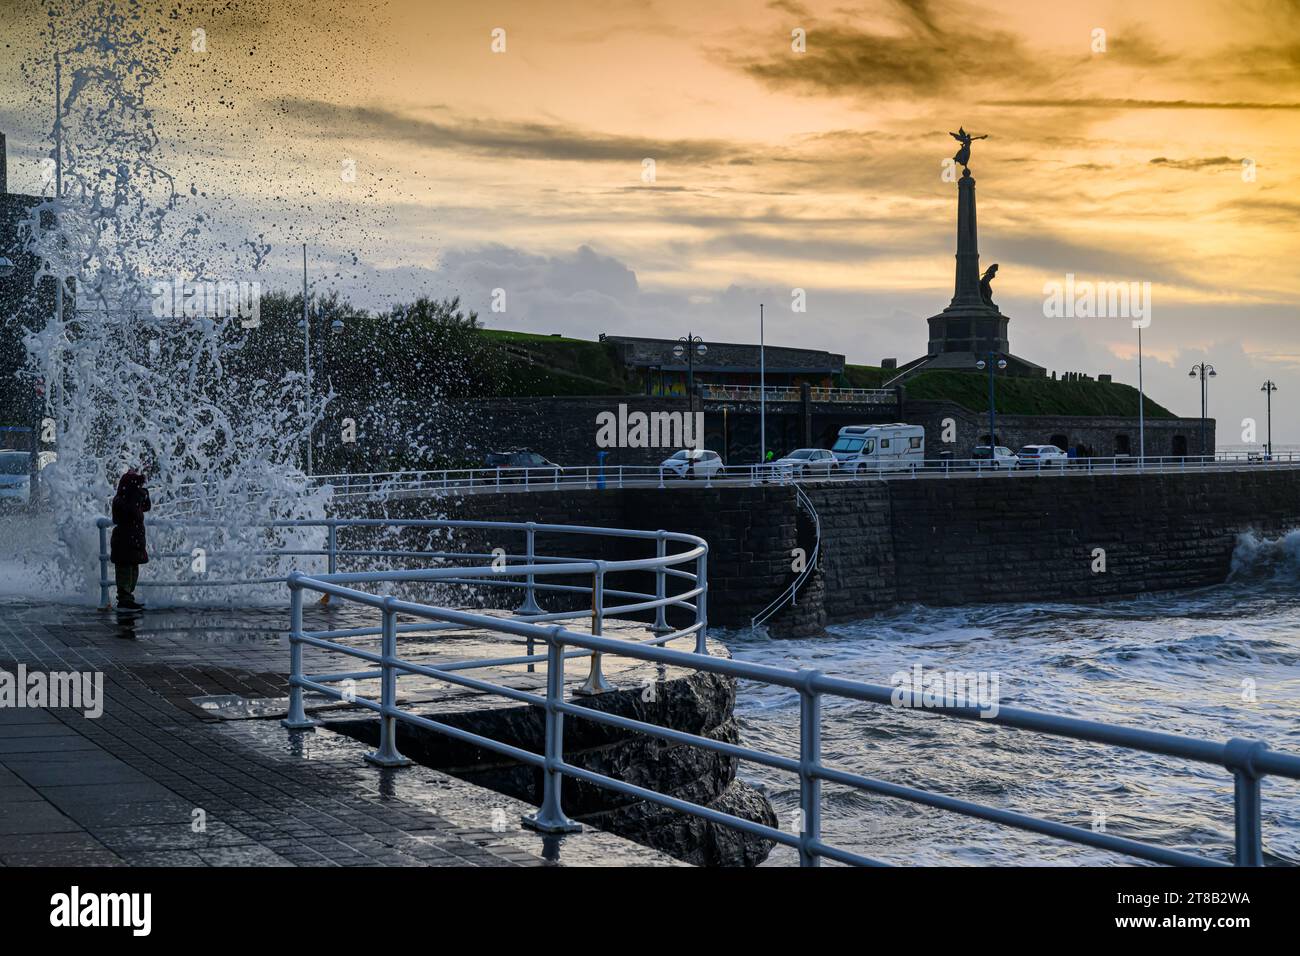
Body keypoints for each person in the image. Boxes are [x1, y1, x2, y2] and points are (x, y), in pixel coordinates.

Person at [110, 468, 151, 609]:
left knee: (133, 573)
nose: (139, 488)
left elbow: (147, 506)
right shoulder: (121, 499)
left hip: (134, 542)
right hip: (124, 542)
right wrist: (137, 495)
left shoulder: (131, 498)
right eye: (137, 485)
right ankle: (124, 599)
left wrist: (144, 494)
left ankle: (127, 598)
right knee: (125, 572)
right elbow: (130, 512)